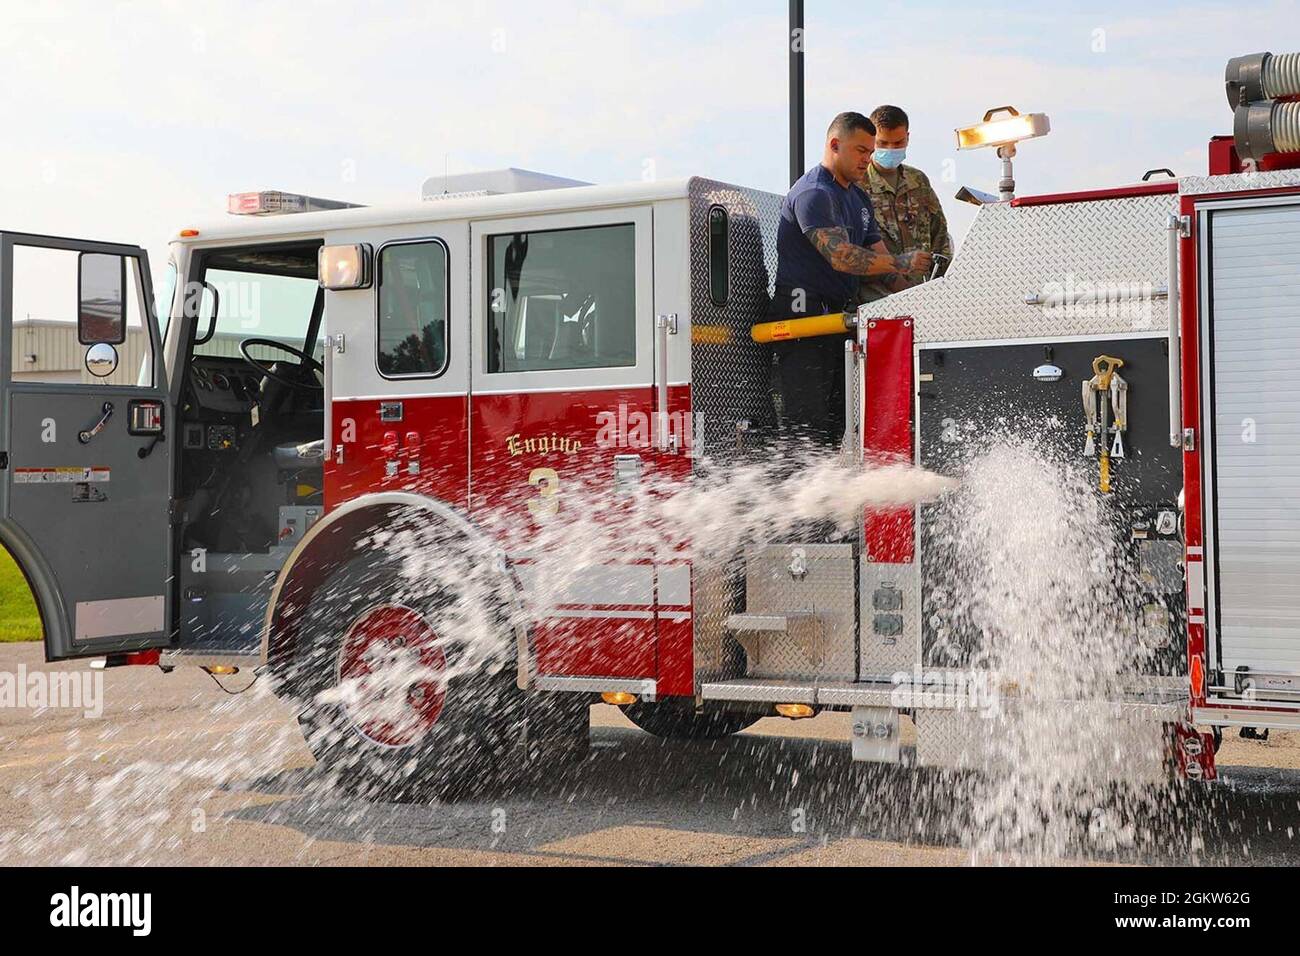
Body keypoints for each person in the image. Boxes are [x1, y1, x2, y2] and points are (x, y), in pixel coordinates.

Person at [767, 111, 932, 447]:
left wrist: (921, 301)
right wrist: (902, 261)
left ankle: (822, 496)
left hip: (837, 321)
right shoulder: (814, 193)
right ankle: (797, 496)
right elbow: (842, 257)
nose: (867, 160)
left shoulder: (857, 198)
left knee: (836, 425)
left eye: (870, 152)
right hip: (803, 321)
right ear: (834, 144)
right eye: (861, 151)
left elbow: (883, 265)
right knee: (806, 430)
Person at [858, 105, 954, 304]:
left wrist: (941, 285)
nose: (891, 149)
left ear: (908, 138)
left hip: (924, 295)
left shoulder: (918, 180)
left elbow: (940, 235)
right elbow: (855, 251)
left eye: (898, 142)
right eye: (883, 143)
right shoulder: (857, 184)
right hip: (875, 300)